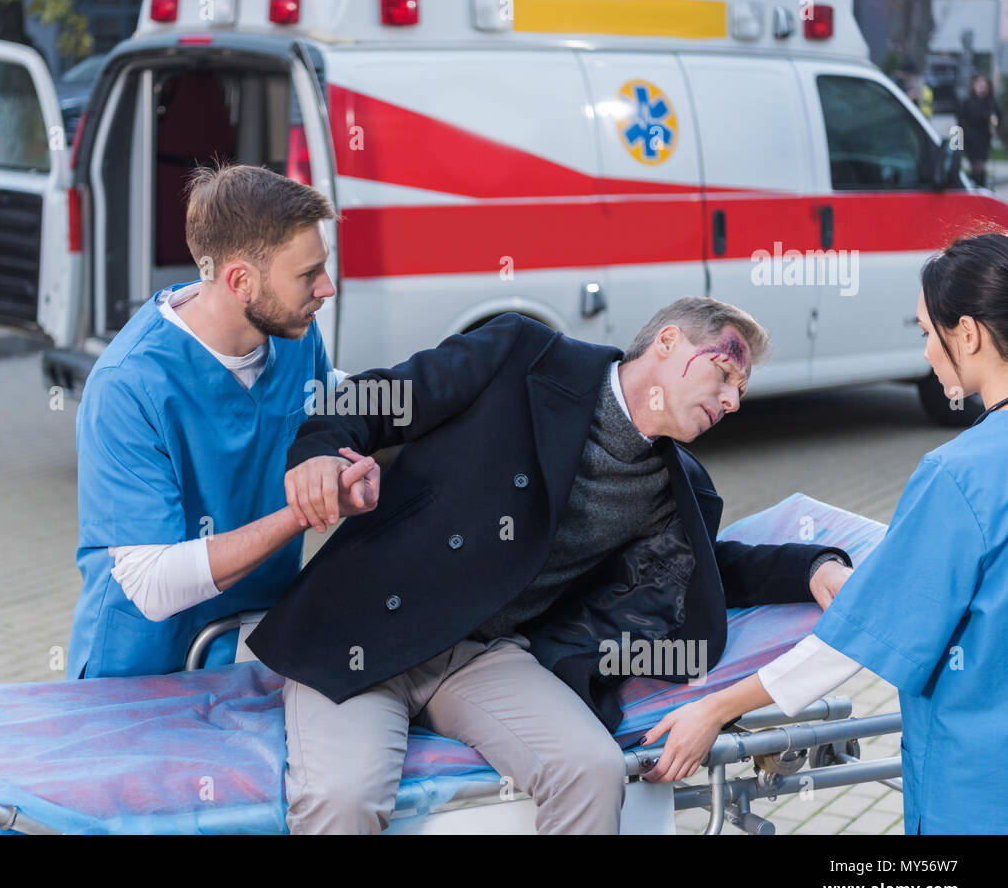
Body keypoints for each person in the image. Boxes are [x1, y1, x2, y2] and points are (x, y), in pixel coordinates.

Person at [246, 298, 854, 834]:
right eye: (725, 373)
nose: (732, 400)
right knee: (341, 799)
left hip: (483, 656)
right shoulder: (524, 355)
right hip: (366, 626)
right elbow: (382, 399)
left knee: (590, 770)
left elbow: (707, 570)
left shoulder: (676, 486)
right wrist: (321, 451)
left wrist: (813, 567)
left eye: (740, 392)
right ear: (668, 342)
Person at [641, 234, 1008, 834]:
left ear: (965, 334)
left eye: (925, 333)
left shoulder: (961, 476)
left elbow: (858, 635)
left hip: (981, 789)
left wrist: (715, 708)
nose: (925, 354)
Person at [67, 164, 369, 681]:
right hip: (137, 680)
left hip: (237, 657)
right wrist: (304, 509)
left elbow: (331, 399)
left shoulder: (293, 335)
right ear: (240, 282)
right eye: (307, 274)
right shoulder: (128, 387)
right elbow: (153, 584)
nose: (328, 287)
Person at [957, 74, 1001, 188]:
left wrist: (995, 125)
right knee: (974, 165)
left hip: (983, 138)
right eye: (979, 83)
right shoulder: (967, 102)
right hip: (970, 138)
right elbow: (960, 121)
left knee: (980, 165)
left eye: (984, 84)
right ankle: (974, 186)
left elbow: (997, 118)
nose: (981, 86)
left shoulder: (991, 102)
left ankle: (980, 186)